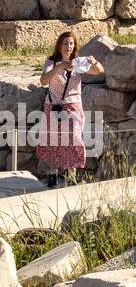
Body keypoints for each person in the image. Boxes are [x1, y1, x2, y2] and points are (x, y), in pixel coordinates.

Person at [36, 31, 102, 187]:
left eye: (71, 43)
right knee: (54, 141)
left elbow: (99, 70)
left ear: (75, 45)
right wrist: (59, 67)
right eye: (65, 43)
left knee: (73, 139)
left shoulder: (78, 63)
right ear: (59, 45)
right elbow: (43, 81)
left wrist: (94, 62)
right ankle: (52, 176)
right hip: (53, 107)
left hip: (72, 106)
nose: (68, 46)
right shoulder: (51, 62)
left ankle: (71, 176)